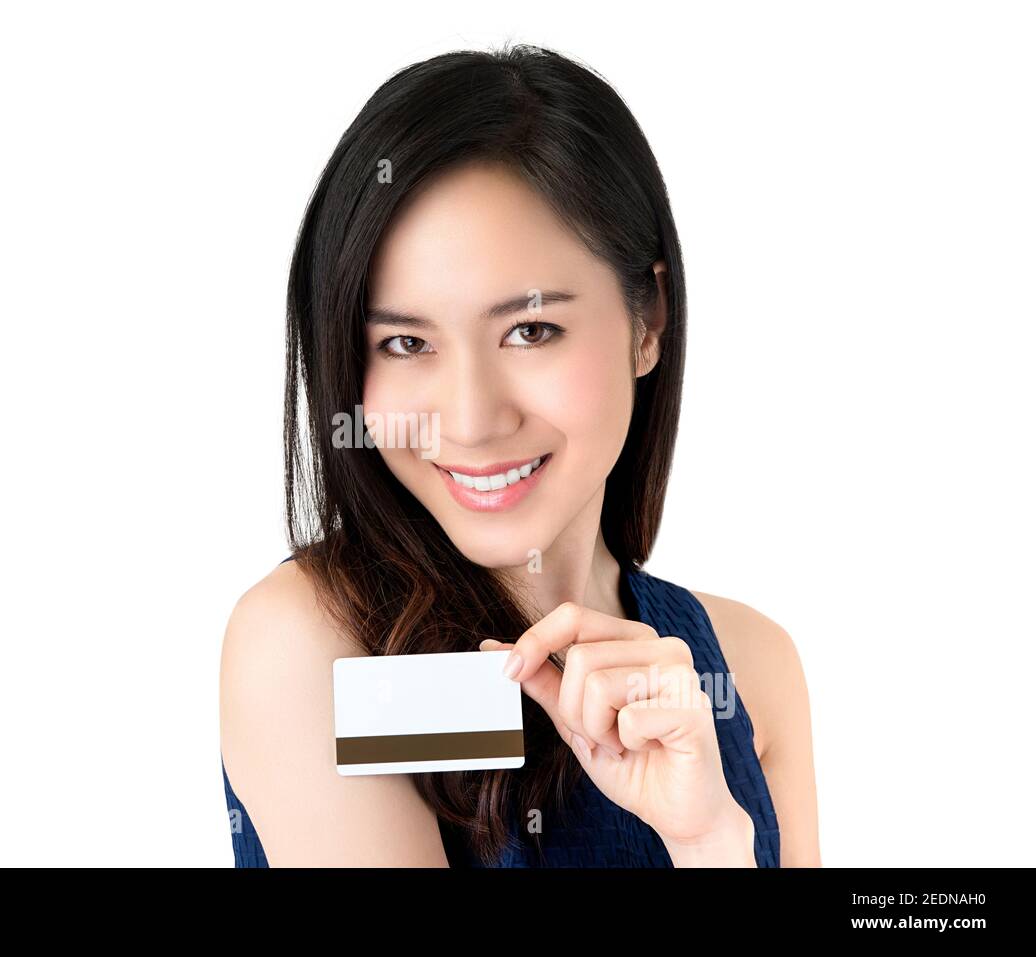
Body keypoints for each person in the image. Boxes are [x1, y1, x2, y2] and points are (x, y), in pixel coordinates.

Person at [218, 42, 820, 867]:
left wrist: (711, 840)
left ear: (647, 322)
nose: (468, 419)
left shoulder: (747, 665)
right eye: (404, 342)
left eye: (530, 331)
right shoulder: (314, 645)